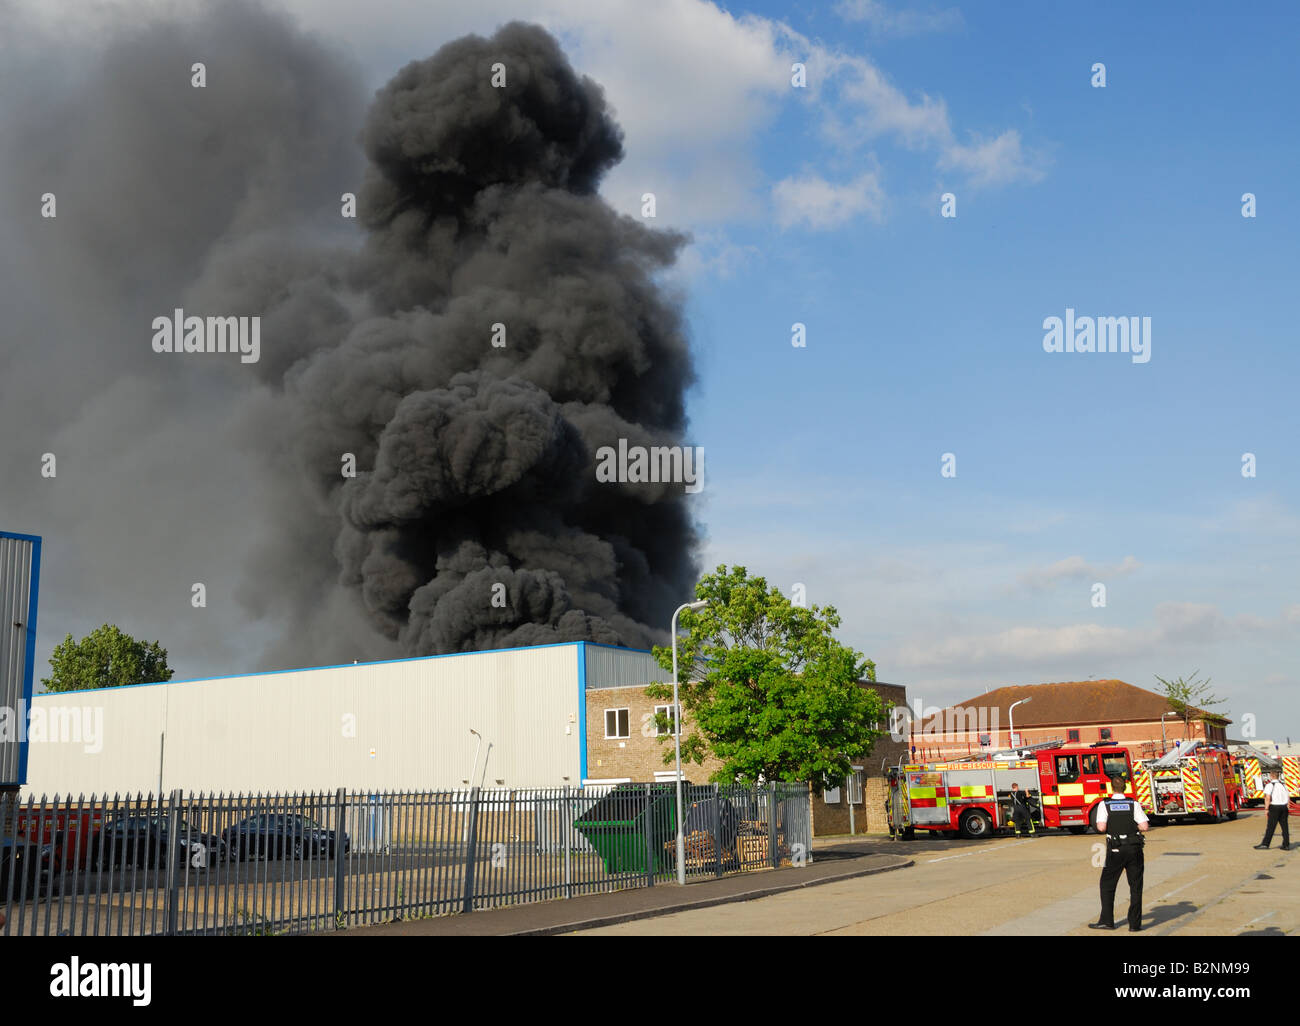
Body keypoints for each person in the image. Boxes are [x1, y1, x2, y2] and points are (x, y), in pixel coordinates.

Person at [1089, 774, 1149, 932]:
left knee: (1107, 884)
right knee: (1135, 886)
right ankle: (1135, 925)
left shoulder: (1105, 804)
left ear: (1111, 788)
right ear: (1125, 788)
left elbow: (1101, 827)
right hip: (1134, 848)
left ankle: (1107, 921)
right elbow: (1144, 826)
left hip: (1115, 849)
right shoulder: (1133, 803)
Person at [1253, 769, 1291, 851]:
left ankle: (1265, 844)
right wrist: (1287, 806)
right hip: (1284, 807)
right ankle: (1286, 844)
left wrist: (1266, 809)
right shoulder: (1283, 785)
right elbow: (1288, 797)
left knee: (1271, 827)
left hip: (1274, 807)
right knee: (1285, 827)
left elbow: (1268, 797)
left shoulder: (1270, 785)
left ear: (1271, 776)